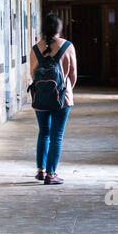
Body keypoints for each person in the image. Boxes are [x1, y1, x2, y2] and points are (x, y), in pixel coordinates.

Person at [28, 14, 77, 185]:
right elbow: (73, 75)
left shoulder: (35, 48)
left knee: (43, 132)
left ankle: (41, 171)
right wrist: (67, 89)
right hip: (62, 98)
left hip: (40, 97)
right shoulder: (68, 46)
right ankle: (51, 174)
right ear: (59, 28)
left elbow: (32, 74)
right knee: (57, 135)